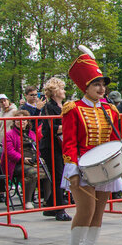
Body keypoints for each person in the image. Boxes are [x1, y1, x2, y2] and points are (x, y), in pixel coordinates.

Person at [61, 46, 122, 245]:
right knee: (85, 211)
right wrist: (73, 170)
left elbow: (113, 141)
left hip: (105, 169)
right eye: (96, 84)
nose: (101, 88)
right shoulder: (73, 109)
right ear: (85, 87)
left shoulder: (111, 110)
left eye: (102, 84)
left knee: (98, 213)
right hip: (81, 167)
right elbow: (68, 143)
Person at [39, 78, 71, 221]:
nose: (64, 91)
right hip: (50, 145)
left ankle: (51, 204)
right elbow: (52, 128)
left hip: (60, 144)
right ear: (55, 91)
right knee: (58, 175)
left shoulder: (62, 106)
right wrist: (70, 126)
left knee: (61, 174)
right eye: (62, 89)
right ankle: (59, 210)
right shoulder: (48, 107)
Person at [4, 110, 39, 210]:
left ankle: (47, 200)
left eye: (24, 119)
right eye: (18, 119)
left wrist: (38, 158)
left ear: (28, 121)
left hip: (32, 161)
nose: (21, 121)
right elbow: (9, 152)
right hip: (16, 164)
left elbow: (37, 149)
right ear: (14, 121)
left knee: (47, 170)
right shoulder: (9, 134)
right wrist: (22, 159)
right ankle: (27, 201)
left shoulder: (32, 134)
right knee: (32, 172)